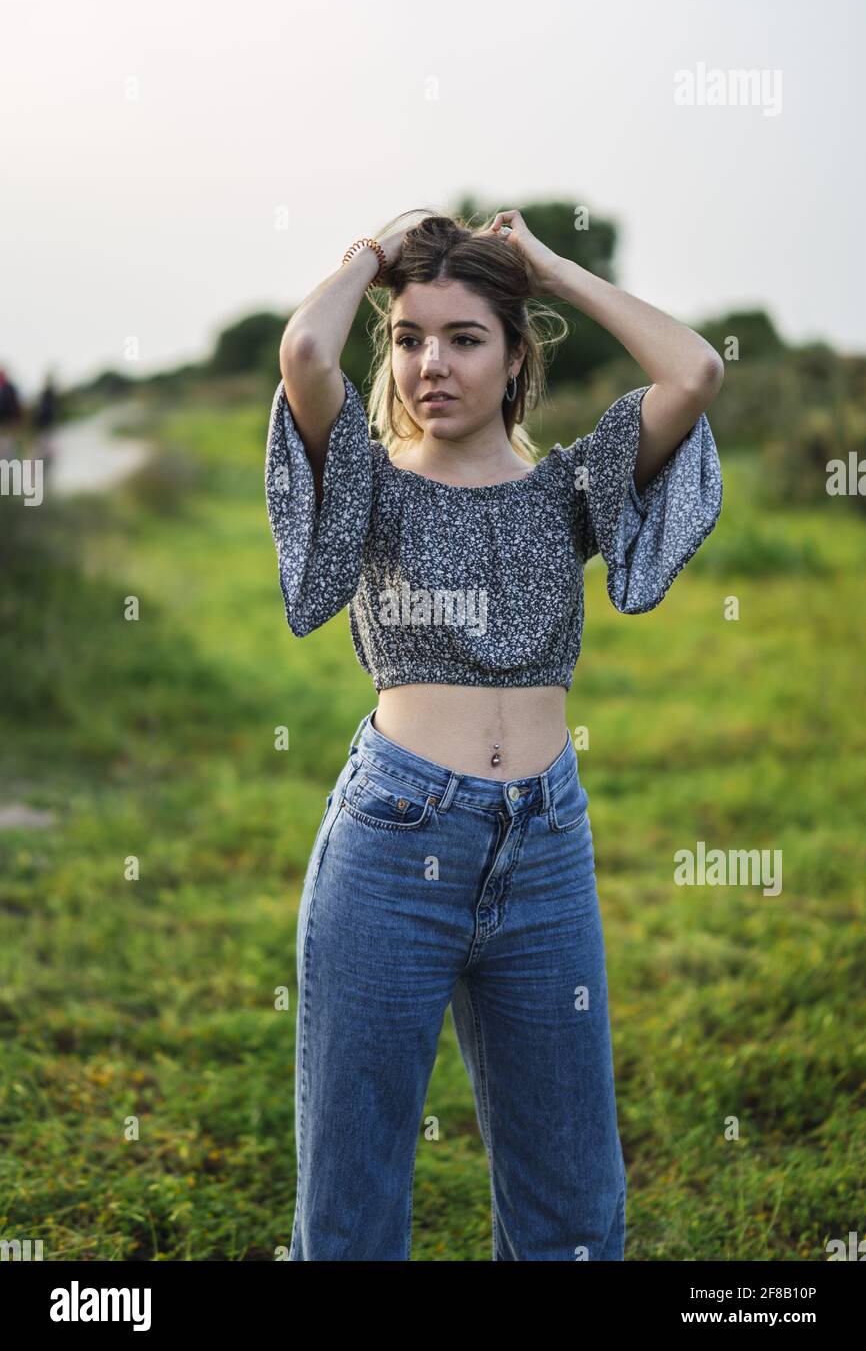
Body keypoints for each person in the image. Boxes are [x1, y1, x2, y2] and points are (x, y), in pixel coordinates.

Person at [264, 208, 724, 1261]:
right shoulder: (368, 480)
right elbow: (301, 350)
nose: (432, 362)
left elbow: (691, 371)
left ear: (515, 356)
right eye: (409, 336)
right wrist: (376, 258)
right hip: (390, 843)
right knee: (352, 1197)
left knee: (570, 1198)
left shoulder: (569, 486)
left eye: (465, 337)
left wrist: (553, 271)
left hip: (544, 847)